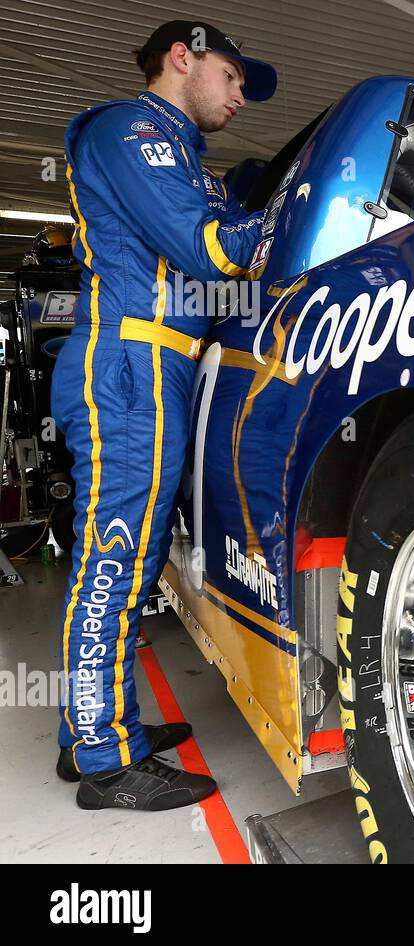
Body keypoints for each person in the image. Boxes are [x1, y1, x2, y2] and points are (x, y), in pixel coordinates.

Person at [52, 20, 277, 811]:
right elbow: (208, 251)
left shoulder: (185, 156)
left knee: (130, 560)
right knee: (114, 556)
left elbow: (213, 286)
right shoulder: (135, 129)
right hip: (131, 366)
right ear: (184, 57)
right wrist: (289, 210)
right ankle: (108, 759)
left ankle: (87, 731)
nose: (241, 96)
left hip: (158, 365)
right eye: (235, 76)